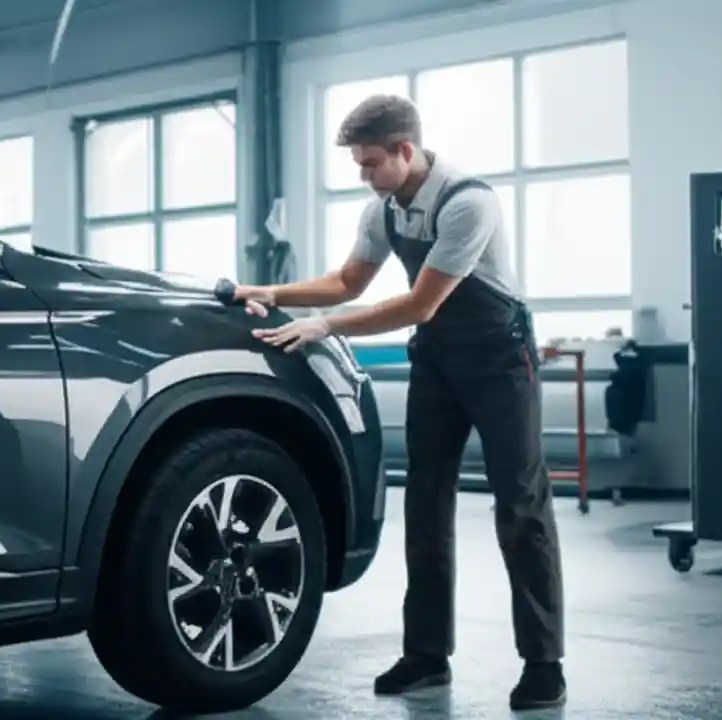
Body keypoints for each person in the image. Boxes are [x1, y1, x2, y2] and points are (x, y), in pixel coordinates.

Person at [234, 94, 566, 710]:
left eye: (369, 164)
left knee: (519, 506)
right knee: (425, 501)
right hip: (438, 361)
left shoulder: (470, 202)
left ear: (404, 151)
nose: (363, 176)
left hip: (499, 359)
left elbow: (419, 304)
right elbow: (347, 282)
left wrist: (326, 326)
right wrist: (271, 290)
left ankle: (544, 663)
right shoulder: (383, 208)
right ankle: (426, 657)